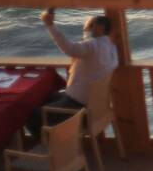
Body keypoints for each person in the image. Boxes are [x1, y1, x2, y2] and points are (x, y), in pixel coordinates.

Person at [25, 9, 118, 141]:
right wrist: (87, 32)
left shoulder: (92, 46)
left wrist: (50, 25)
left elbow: (69, 48)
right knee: (45, 96)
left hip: (77, 107)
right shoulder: (111, 49)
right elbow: (87, 51)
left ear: (101, 27)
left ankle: (47, 146)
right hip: (95, 108)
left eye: (90, 26)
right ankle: (50, 138)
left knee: (30, 114)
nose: (87, 29)